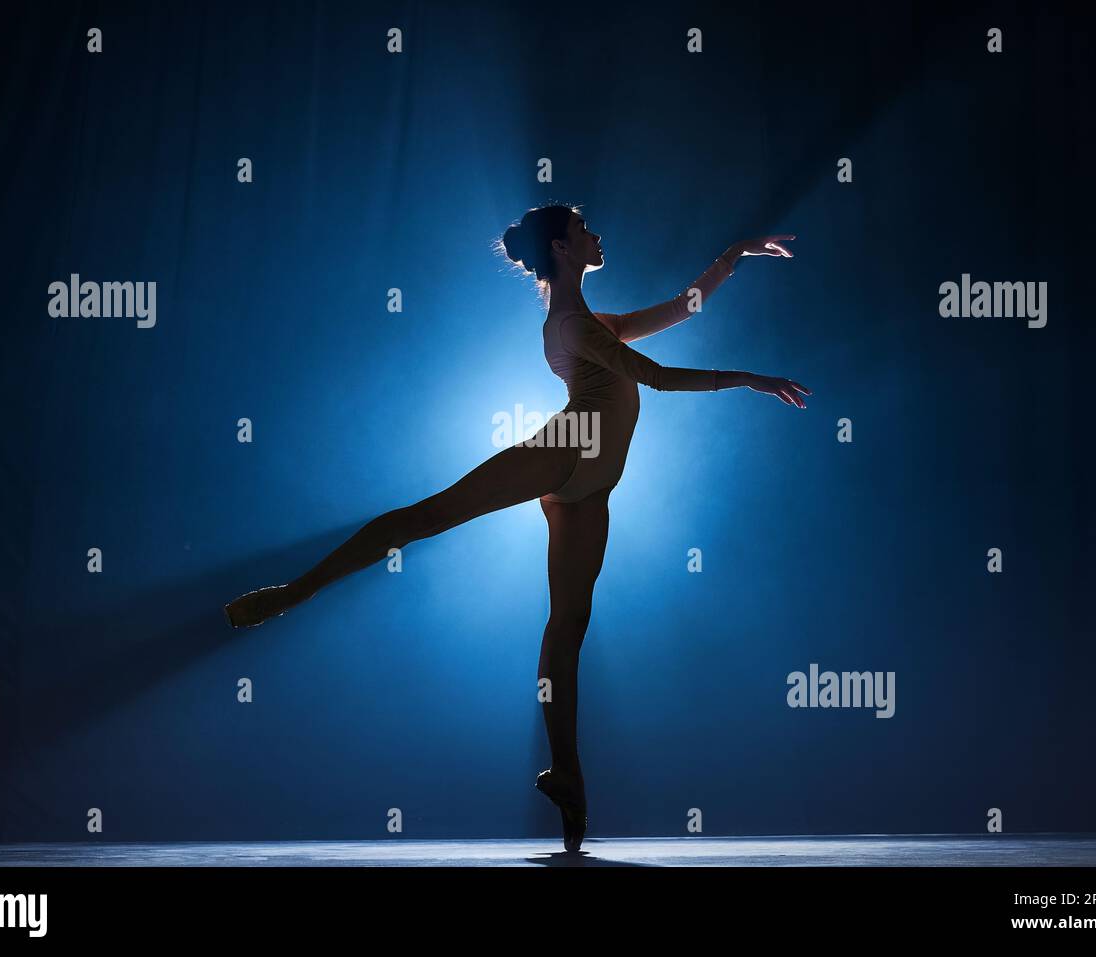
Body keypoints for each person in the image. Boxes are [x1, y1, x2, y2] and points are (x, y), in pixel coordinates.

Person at [224, 204, 810, 852]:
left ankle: (567, 772)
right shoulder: (569, 324)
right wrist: (751, 378)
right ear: (562, 246)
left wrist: (733, 255)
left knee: (568, 628)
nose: (598, 233)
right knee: (431, 515)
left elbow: (684, 307)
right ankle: (295, 590)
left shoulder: (597, 321)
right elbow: (659, 377)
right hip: (563, 452)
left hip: (591, 491)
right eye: (585, 228)